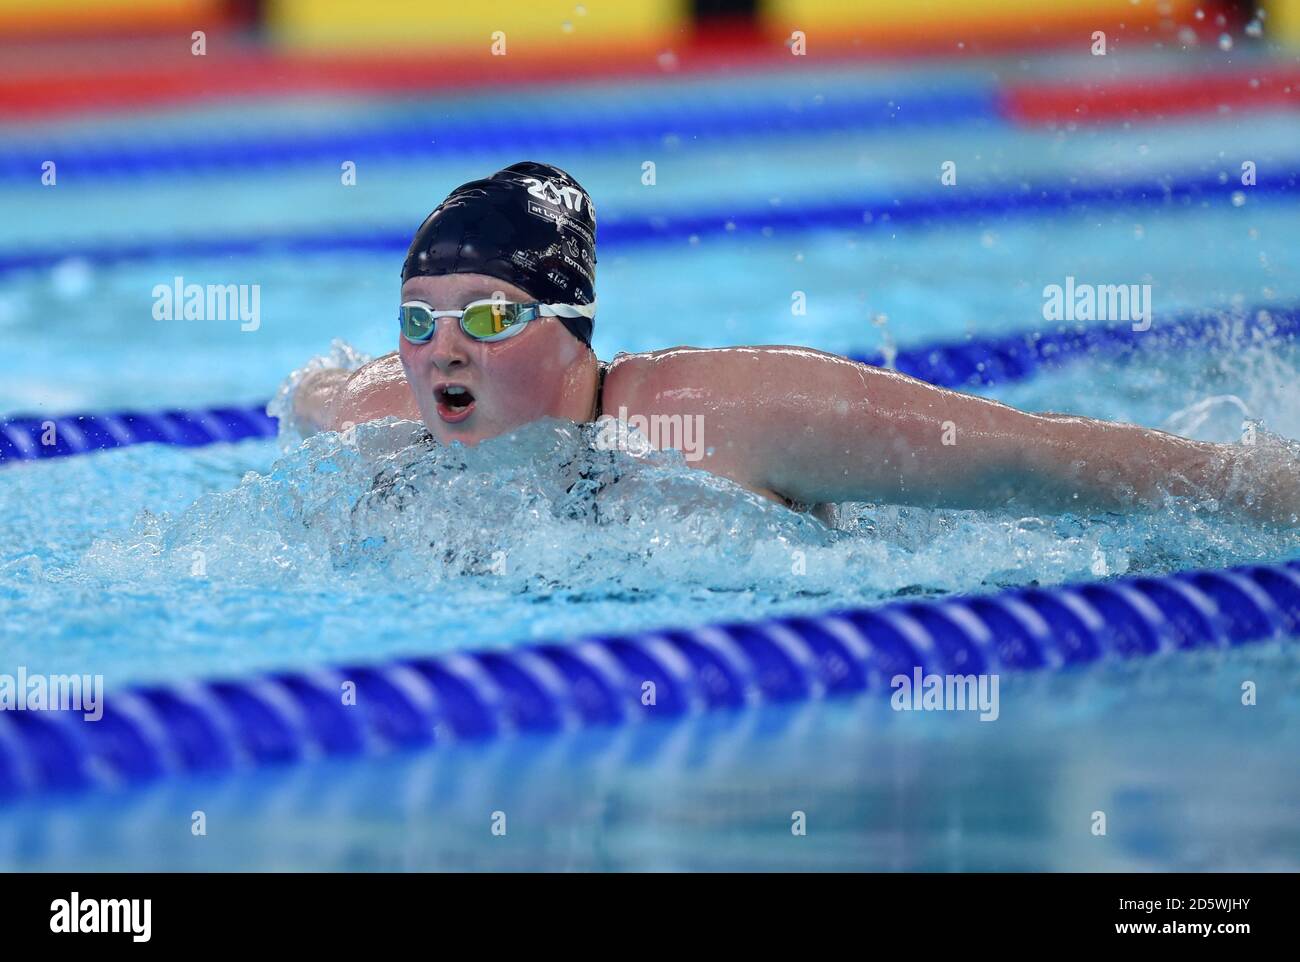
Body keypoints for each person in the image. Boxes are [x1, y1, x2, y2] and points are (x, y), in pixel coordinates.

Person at [289, 161, 1298, 523]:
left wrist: (1260, 489)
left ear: (569, 330)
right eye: (418, 321)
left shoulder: (736, 414)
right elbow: (312, 390)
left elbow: (1030, 456)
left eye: (491, 312)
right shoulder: (383, 414)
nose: (442, 353)